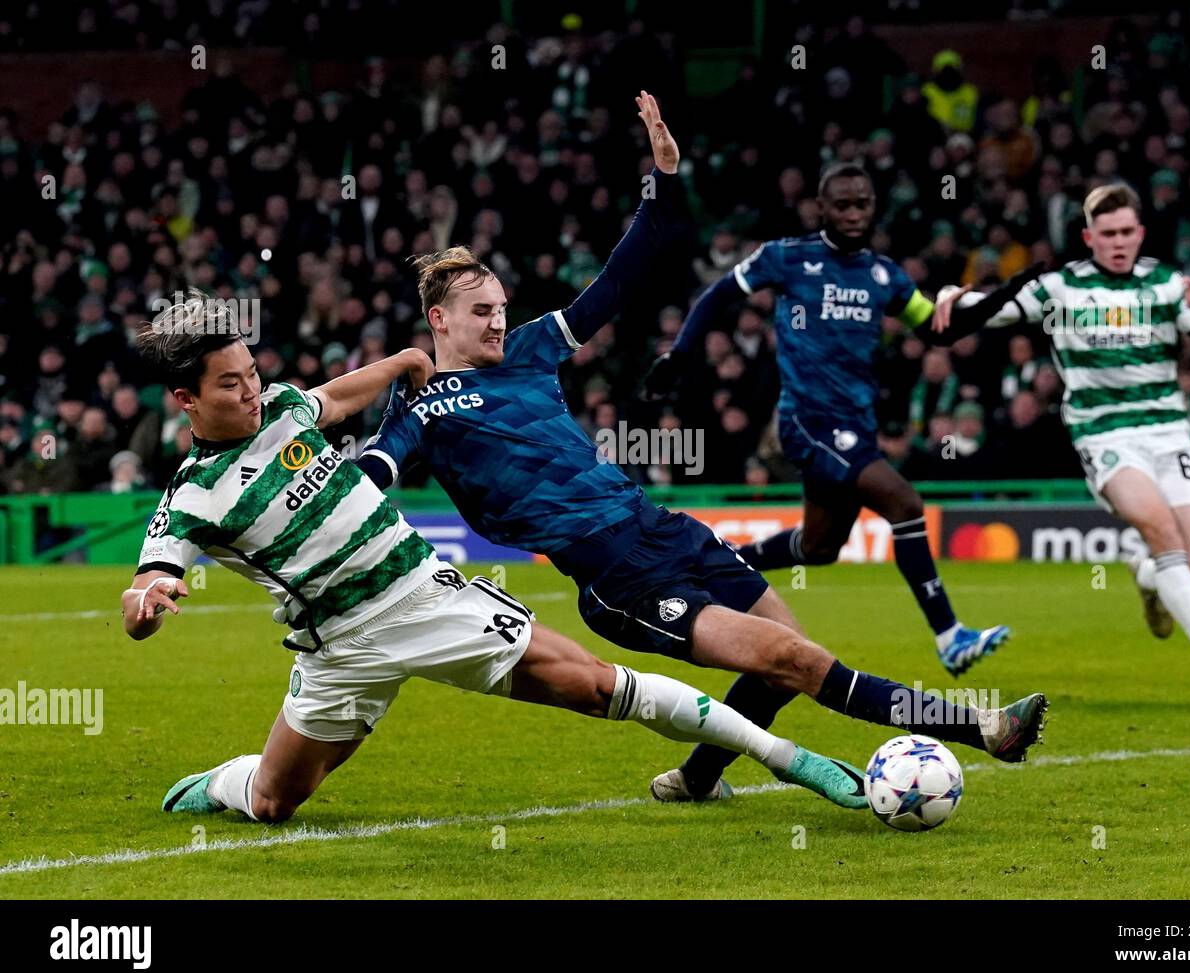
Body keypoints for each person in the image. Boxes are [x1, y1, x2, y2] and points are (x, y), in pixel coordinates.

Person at [357, 95, 1048, 804]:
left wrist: (661, 178)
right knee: (795, 658)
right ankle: (982, 726)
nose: (500, 320)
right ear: (438, 319)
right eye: (483, 312)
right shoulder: (421, 403)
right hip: (616, 575)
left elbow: (618, 280)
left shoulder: (531, 349)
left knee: (788, 657)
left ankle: (696, 777)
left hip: (665, 528)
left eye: (502, 306)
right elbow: (376, 468)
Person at [125, 292, 897, 822]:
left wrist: (397, 365)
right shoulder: (192, 498)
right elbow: (151, 574)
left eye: (253, 373)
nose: (254, 391)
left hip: (427, 596)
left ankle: (788, 757)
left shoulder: (284, 405)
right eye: (232, 385)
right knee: (273, 803)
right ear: (186, 401)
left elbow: (333, 396)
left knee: (598, 685)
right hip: (339, 645)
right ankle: (220, 784)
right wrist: (148, 603)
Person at [645, 162, 1035, 675]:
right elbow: (720, 294)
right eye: (843, 204)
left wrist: (1006, 294)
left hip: (855, 425)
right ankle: (950, 636)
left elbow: (940, 330)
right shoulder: (788, 258)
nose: (854, 213)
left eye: (863, 204)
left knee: (819, 546)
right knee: (904, 502)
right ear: (822, 208)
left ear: (873, 208)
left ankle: (718, 562)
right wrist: (680, 352)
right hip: (808, 421)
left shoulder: (884, 276)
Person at [932, 182, 1190, 686]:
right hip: (1105, 435)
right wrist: (958, 295)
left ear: (1141, 232)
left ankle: (1147, 577)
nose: (1119, 242)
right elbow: (997, 308)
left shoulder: (1169, 285)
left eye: (1127, 231)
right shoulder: (1062, 289)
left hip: (1169, 434)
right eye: (1108, 233)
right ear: (1089, 237)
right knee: (1162, 532)